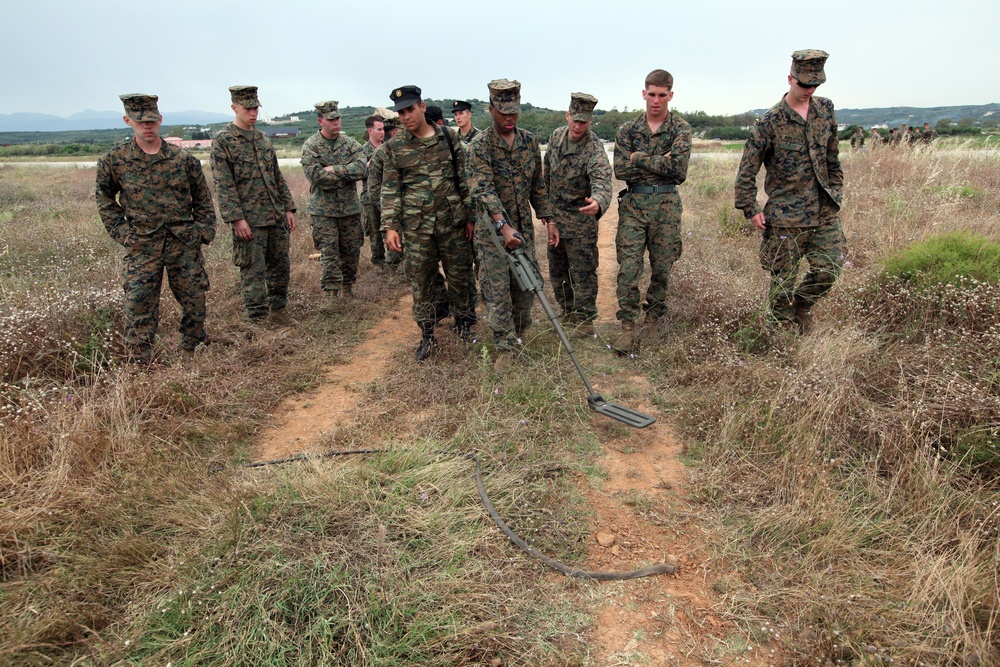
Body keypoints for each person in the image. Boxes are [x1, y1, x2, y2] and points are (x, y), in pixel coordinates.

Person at [95, 93, 216, 366]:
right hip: (142, 245)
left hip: (182, 242)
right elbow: (104, 200)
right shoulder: (114, 160)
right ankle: (140, 362)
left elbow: (203, 200)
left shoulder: (183, 160)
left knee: (195, 299)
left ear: (160, 120)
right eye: (140, 122)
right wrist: (123, 234)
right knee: (139, 304)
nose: (146, 126)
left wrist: (202, 233)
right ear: (128, 121)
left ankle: (192, 350)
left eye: (151, 120)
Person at [734, 49, 845, 334]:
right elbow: (747, 169)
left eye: (815, 85)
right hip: (785, 216)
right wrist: (751, 208)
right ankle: (781, 336)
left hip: (823, 211)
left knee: (829, 268)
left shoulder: (826, 111)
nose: (809, 90)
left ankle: (802, 306)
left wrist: (837, 191)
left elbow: (832, 158)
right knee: (782, 281)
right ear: (790, 79)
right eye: (803, 84)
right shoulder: (769, 122)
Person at [380, 85, 476, 361]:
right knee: (421, 281)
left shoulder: (449, 138)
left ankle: (465, 323)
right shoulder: (395, 148)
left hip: (453, 223)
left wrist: (470, 217)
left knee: (459, 276)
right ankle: (427, 333)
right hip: (417, 227)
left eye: (410, 109)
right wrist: (390, 226)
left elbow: (464, 180)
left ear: (422, 107)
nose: (406, 116)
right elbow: (390, 190)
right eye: (401, 113)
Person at [469, 78, 556, 369]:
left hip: (522, 230)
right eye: (503, 112)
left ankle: (519, 334)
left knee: (526, 288)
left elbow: (537, 185)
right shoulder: (480, 145)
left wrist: (549, 218)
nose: (509, 118)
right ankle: (504, 346)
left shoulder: (529, 142)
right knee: (498, 290)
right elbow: (483, 189)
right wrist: (503, 226)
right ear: (491, 109)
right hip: (494, 234)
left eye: (514, 113)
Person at [612, 69, 692, 353]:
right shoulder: (627, 130)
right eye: (652, 94)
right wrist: (659, 160)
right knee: (629, 267)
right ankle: (627, 326)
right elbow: (620, 170)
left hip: (667, 207)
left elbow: (678, 171)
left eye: (662, 95)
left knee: (662, 267)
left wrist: (639, 157)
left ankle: (655, 318)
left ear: (670, 95)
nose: (656, 100)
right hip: (634, 205)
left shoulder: (680, 129)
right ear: (643, 93)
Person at [210, 85, 297, 325]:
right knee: (253, 270)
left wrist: (288, 208)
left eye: (255, 107)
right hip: (250, 220)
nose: (253, 112)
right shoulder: (223, 141)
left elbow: (277, 176)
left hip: (275, 214)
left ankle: (279, 311)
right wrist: (236, 218)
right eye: (247, 108)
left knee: (280, 266)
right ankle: (258, 320)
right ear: (234, 107)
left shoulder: (262, 138)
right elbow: (223, 185)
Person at [543, 92, 612, 337]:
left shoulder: (594, 147)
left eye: (583, 121)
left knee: (583, 271)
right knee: (558, 270)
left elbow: (602, 180)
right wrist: (547, 214)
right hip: (556, 220)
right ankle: (568, 314)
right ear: (568, 115)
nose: (578, 125)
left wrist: (599, 201)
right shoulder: (556, 137)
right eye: (574, 119)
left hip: (582, 220)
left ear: (590, 121)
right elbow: (547, 175)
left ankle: (585, 322)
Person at [300, 100, 366, 311]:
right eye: (331, 119)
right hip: (323, 211)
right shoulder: (311, 145)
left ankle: (348, 289)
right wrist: (345, 173)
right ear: (321, 121)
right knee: (329, 252)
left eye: (338, 118)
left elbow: (362, 169)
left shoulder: (350, 144)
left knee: (351, 250)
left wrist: (334, 170)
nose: (336, 122)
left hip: (349, 209)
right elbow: (315, 176)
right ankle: (331, 295)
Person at [361, 115, 387, 270]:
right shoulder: (362, 151)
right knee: (375, 234)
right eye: (379, 129)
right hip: (370, 199)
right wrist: (368, 166)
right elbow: (357, 173)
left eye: (383, 129)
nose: (382, 132)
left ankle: (395, 263)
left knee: (391, 230)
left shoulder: (388, 148)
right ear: (370, 131)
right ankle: (379, 265)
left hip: (388, 197)